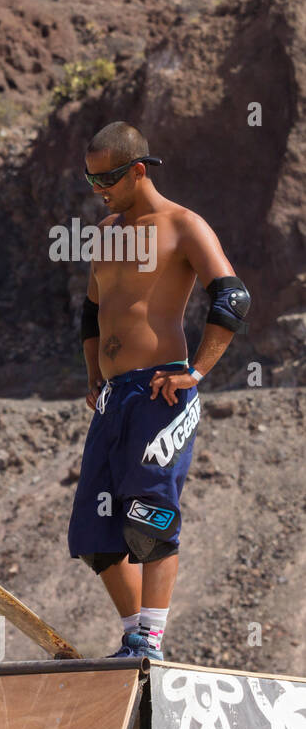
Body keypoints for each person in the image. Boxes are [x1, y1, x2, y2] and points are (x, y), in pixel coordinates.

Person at [69, 122, 250, 661]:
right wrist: (92, 375)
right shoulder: (105, 232)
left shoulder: (183, 224)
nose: (99, 189)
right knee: (96, 534)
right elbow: (91, 312)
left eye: (108, 178)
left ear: (139, 170)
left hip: (161, 392)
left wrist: (195, 372)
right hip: (113, 396)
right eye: (90, 179)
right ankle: (133, 637)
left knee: (149, 516)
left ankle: (151, 637)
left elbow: (232, 297)